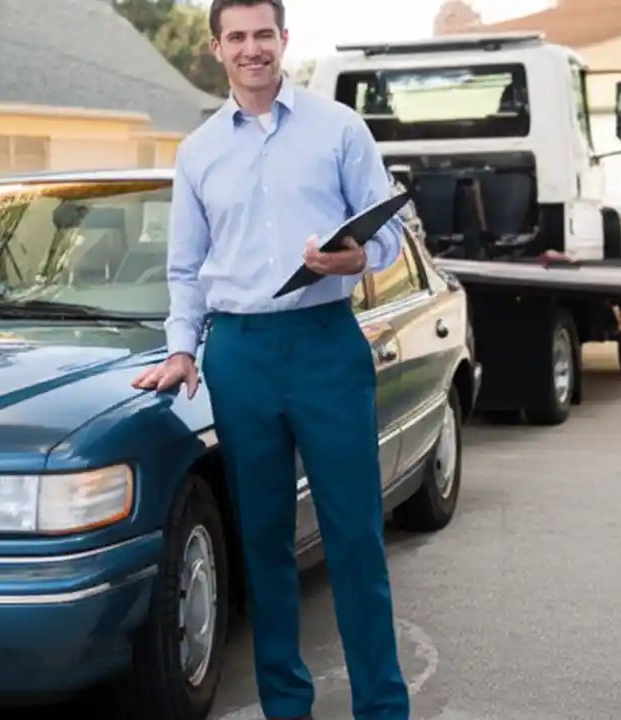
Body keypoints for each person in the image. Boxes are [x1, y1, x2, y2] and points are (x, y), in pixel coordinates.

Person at [130, 1, 411, 718]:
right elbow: (186, 270)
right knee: (263, 540)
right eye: (238, 37)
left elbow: (387, 236)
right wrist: (180, 350)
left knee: (354, 535)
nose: (252, 49)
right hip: (241, 356)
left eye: (265, 35)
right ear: (216, 48)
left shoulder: (339, 129)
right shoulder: (197, 153)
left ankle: (382, 706)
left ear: (284, 41)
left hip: (325, 345)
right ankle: (287, 705)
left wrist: (355, 255)